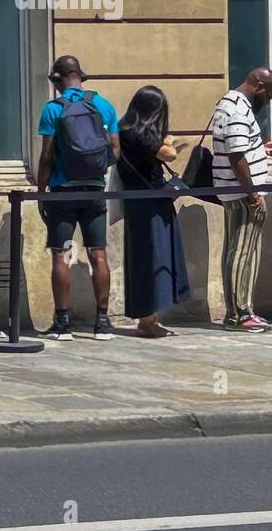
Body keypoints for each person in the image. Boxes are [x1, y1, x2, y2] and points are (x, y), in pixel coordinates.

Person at [37, 55, 120, 341]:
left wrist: (40, 191)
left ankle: (63, 324)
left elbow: (46, 157)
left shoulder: (53, 110)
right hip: (95, 190)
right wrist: (93, 168)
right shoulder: (104, 106)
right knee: (98, 253)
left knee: (61, 255)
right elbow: (116, 153)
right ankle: (102, 322)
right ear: (80, 77)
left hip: (63, 191)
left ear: (58, 80)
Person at [116, 86, 190, 337]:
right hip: (148, 201)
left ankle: (149, 317)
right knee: (153, 256)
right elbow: (167, 153)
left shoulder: (124, 129)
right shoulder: (138, 134)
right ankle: (147, 319)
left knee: (148, 256)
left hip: (141, 200)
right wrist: (173, 143)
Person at [212, 67, 272, 331]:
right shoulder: (237, 109)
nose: (268, 100)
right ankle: (239, 315)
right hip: (242, 194)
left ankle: (239, 312)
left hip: (238, 191)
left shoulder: (231, 103)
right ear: (259, 85)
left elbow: (241, 147)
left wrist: (260, 147)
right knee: (242, 253)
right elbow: (237, 157)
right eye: (269, 93)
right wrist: (253, 193)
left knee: (239, 251)